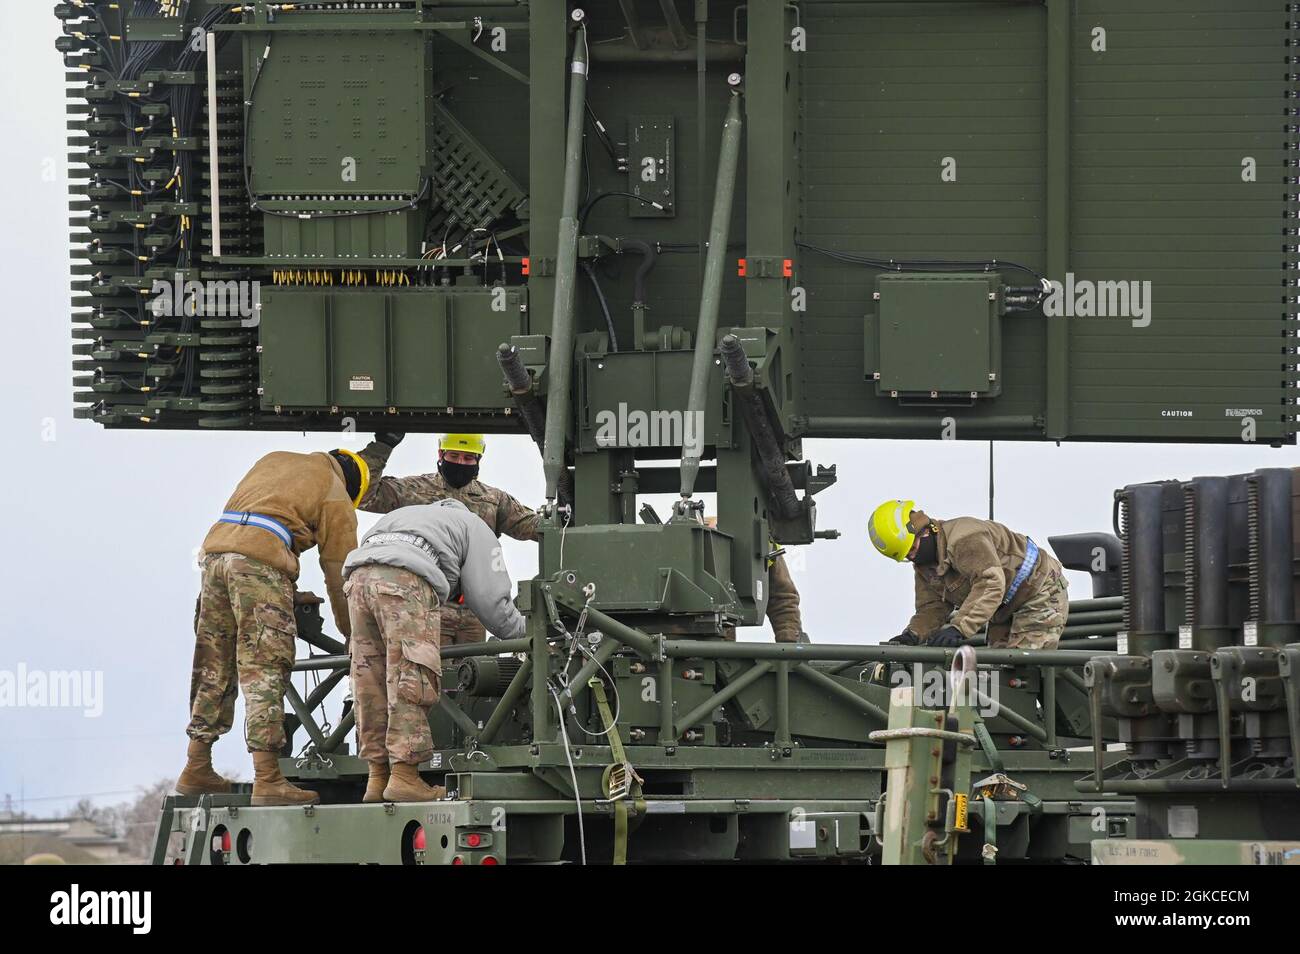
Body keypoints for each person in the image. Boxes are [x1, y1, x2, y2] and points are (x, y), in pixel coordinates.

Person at [177, 448, 367, 806]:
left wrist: (286, 591)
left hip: (215, 557)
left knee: (214, 664)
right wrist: (351, 631)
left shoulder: (276, 460)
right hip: (259, 563)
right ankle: (268, 779)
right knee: (264, 668)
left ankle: (195, 766)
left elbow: (258, 522)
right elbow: (339, 570)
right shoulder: (336, 493)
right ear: (352, 484)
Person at [344, 499, 528, 802]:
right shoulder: (474, 526)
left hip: (357, 580)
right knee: (412, 675)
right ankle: (404, 778)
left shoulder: (403, 514)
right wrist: (530, 632)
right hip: (406, 579)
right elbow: (493, 606)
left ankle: (377, 779)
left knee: (370, 679)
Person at [357, 432, 539, 646]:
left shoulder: (493, 500)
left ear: (478, 460)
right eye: (454, 456)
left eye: (468, 458)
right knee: (430, 671)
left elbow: (534, 526)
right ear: (441, 454)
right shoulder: (415, 490)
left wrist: (569, 515)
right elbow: (366, 495)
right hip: (429, 604)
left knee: (476, 674)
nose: (461, 463)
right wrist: (382, 446)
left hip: (475, 612)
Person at [868, 500, 1068, 650]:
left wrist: (959, 628)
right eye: (906, 555)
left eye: (912, 548)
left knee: (1026, 669)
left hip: (1039, 589)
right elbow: (933, 607)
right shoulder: (924, 564)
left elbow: (990, 583)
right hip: (1003, 606)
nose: (913, 556)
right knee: (1000, 671)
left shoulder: (965, 539)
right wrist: (912, 635)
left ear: (925, 531)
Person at [704, 517, 807, 642]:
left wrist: (789, 641)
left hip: (719, 649)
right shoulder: (680, 538)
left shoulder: (760, 540)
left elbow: (782, 599)